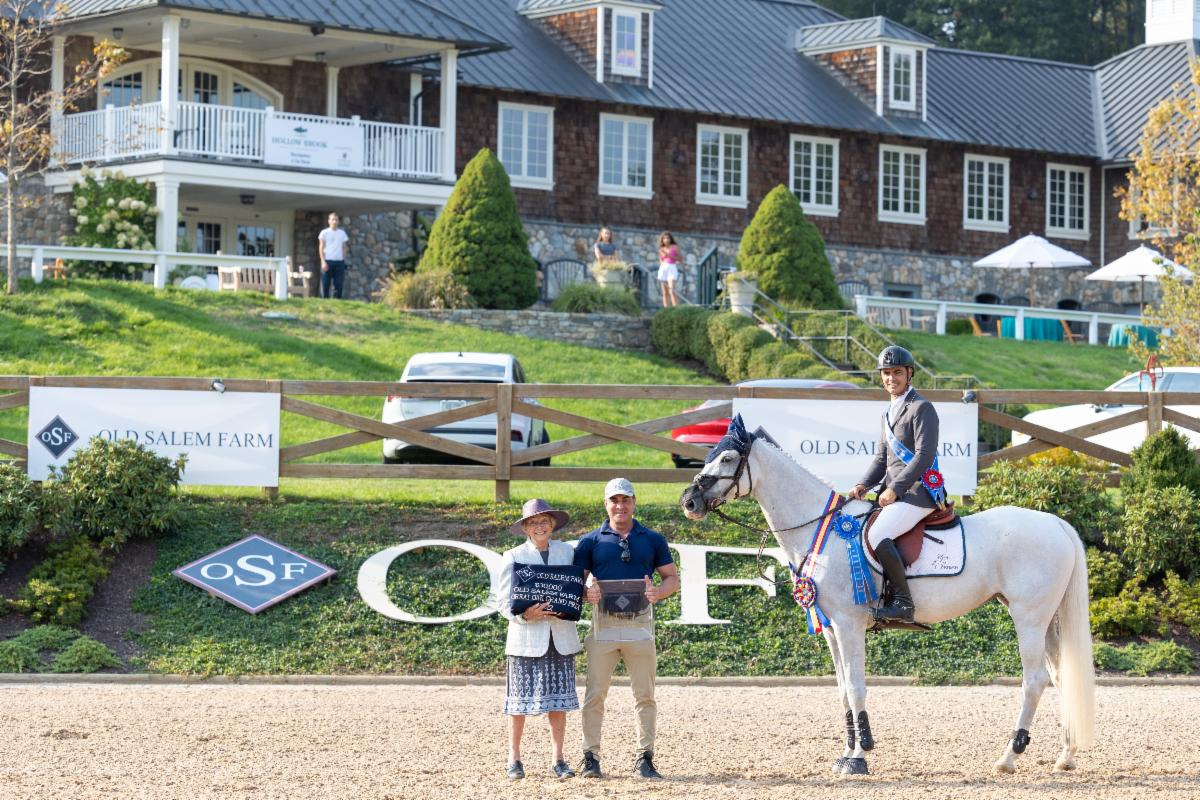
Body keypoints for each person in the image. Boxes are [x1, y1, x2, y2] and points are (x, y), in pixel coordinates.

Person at [573, 478, 679, 781]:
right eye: (614, 500)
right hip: (602, 630)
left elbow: (672, 578)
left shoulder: (653, 539)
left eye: (626, 500)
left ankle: (645, 758)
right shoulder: (589, 541)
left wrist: (659, 592)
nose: (620, 506)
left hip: (640, 630)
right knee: (595, 695)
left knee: (645, 696)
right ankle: (590, 756)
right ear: (606, 504)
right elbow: (576, 583)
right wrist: (586, 592)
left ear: (634, 502)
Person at [848, 345, 943, 623]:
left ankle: (903, 604)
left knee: (877, 535)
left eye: (897, 373)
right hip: (896, 494)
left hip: (918, 494)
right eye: (887, 373)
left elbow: (924, 456)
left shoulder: (921, 408)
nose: (892, 378)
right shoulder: (887, 413)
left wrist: (895, 489)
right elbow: (881, 460)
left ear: (909, 373)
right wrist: (862, 486)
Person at [494, 498, 582, 780]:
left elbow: (577, 586)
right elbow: (502, 602)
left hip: (560, 636)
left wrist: (584, 595)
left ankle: (558, 759)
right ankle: (514, 758)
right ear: (525, 528)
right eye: (534, 522)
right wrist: (525, 616)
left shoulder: (568, 552)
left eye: (544, 521)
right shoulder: (513, 556)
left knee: (558, 702)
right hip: (526, 640)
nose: (540, 526)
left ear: (553, 524)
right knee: (518, 702)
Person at [317, 212, 350, 299]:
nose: (334, 221)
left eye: (336, 220)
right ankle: (324, 301)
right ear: (329, 221)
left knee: (338, 284)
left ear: (338, 221)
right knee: (325, 284)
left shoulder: (342, 233)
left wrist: (343, 260)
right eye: (333, 220)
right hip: (327, 261)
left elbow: (344, 247)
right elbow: (321, 247)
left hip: (339, 262)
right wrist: (323, 262)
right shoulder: (324, 233)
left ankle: (337, 302)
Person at [656, 232, 682, 307]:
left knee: (672, 291)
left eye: (668, 238)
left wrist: (669, 256)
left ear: (670, 239)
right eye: (664, 238)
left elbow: (680, 259)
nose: (666, 240)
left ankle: (676, 308)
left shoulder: (675, 247)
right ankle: (666, 310)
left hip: (672, 268)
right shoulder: (661, 249)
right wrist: (661, 269)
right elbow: (661, 260)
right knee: (664, 292)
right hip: (663, 269)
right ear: (662, 240)